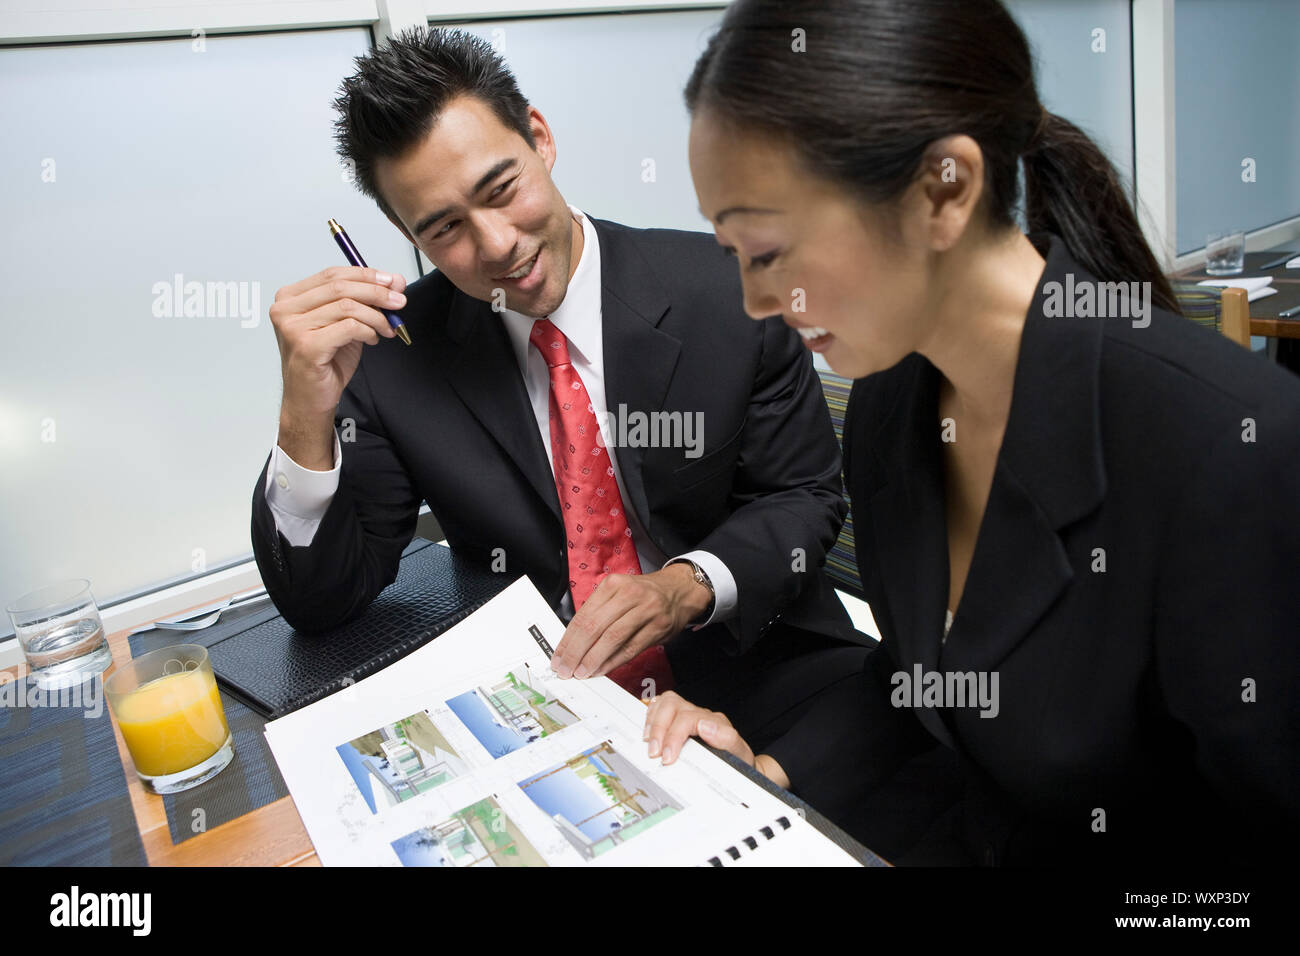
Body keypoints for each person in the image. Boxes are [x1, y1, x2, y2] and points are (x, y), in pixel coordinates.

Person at [644, 0, 1300, 865]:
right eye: (732, 255)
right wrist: (768, 772)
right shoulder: (892, 400)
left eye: (768, 252)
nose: (757, 304)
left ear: (944, 189)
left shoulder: (1234, 456)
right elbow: (929, 677)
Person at [250, 26, 871, 753]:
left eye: (502, 190)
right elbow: (323, 605)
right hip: (552, 714)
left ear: (539, 139)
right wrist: (304, 412)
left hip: (772, 682)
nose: (496, 245)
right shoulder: (396, 355)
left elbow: (804, 497)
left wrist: (684, 587)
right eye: (446, 227)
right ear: (403, 230)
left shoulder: (724, 287)